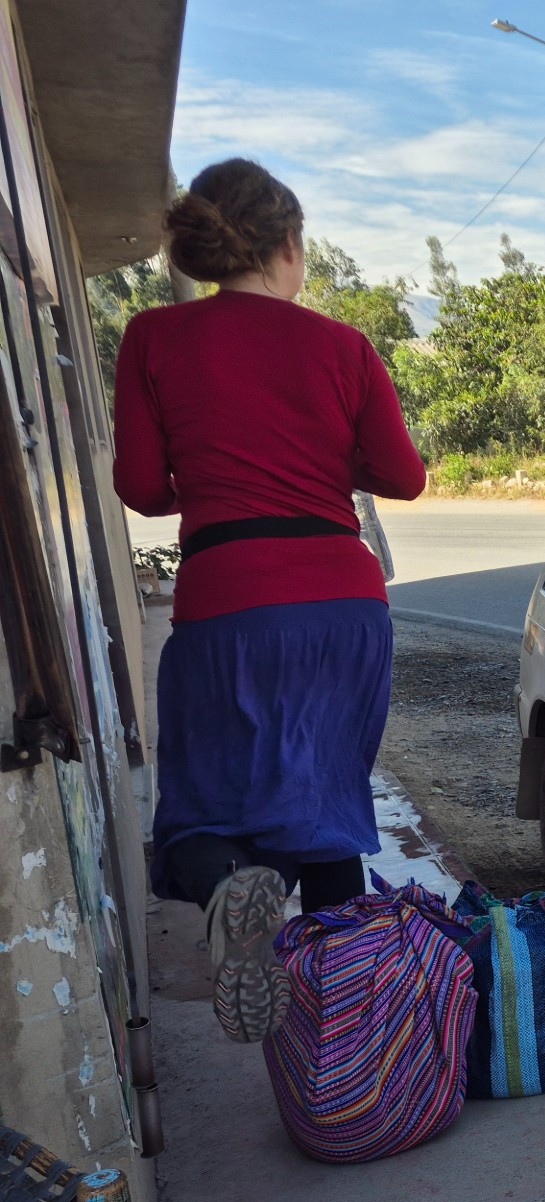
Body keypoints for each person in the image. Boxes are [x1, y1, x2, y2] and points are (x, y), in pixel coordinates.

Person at [113, 158, 426, 1043]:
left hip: (228, 603)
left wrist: (213, 476)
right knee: (327, 806)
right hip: (344, 605)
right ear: (289, 245)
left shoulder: (152, 338)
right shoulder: (344, 347)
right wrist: (325, 460)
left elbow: (140, 485)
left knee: (205, 808)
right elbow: (403, 478)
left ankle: (226, 887)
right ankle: (349, 1035)